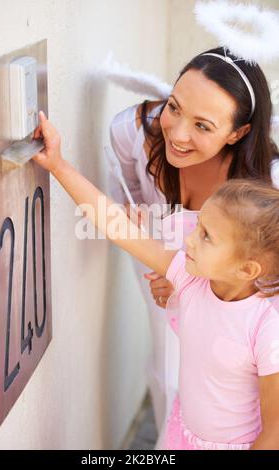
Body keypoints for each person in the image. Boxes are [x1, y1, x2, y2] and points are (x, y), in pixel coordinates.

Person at [32, 111, 279, 449]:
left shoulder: (267, 328)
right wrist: (58, 165)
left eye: (205, 236)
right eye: (199, 226)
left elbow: (275, 430)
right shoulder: (190, 278)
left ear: (247, 269)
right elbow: (117, 227)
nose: (189, 240)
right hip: (180, 436)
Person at [108, 46, 279, 431]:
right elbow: (129, 191)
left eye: (203, 126)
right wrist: (159, 251)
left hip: (234, 312)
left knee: (221, 396)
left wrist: (201, 283)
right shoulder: (132, 131)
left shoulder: (268, 185)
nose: (178, 133)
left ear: (239, 132)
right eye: (174, 107)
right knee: (166, 373)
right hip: (161, 271)